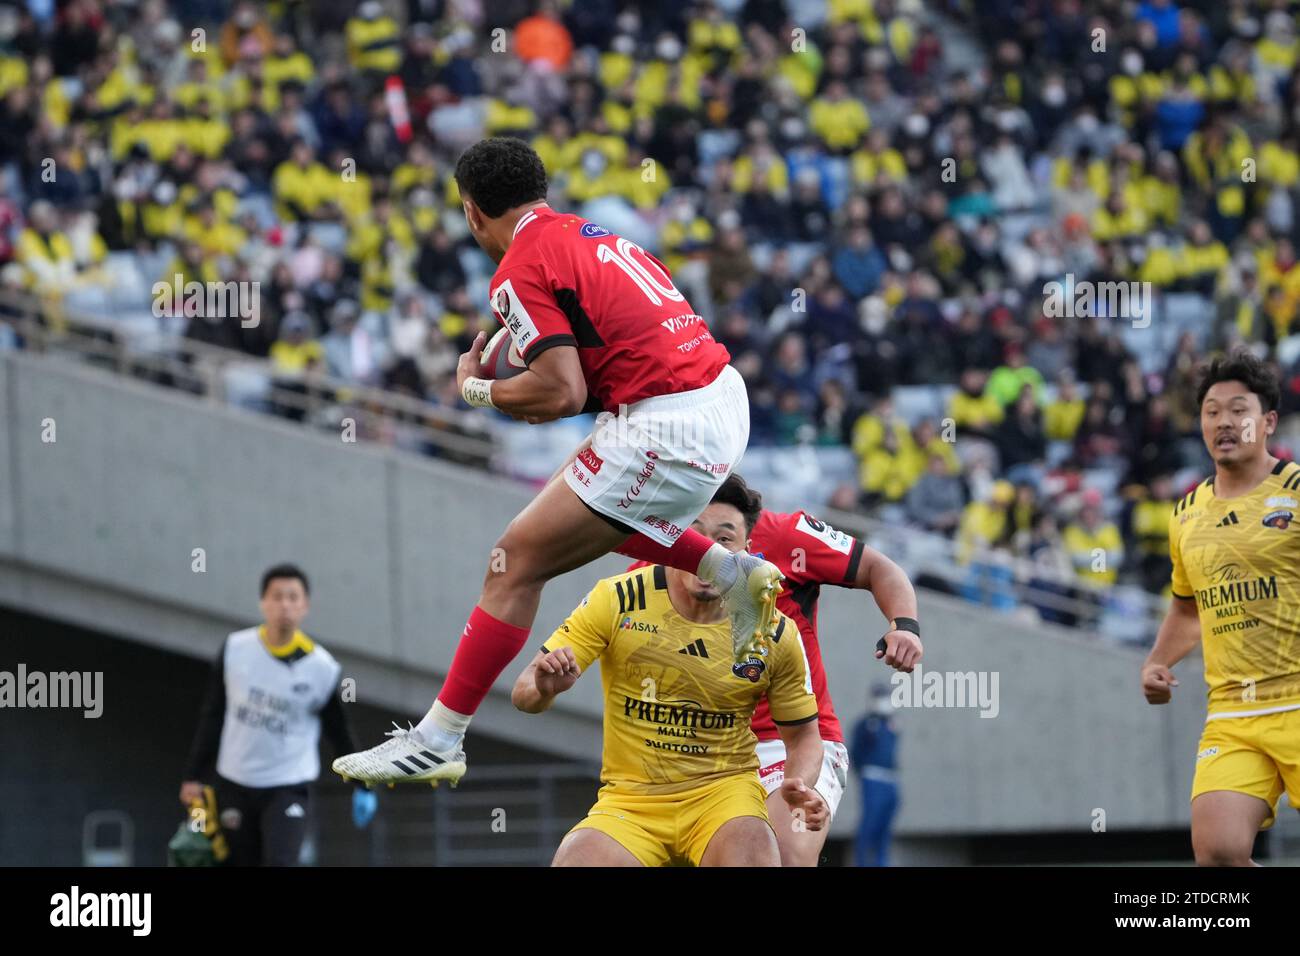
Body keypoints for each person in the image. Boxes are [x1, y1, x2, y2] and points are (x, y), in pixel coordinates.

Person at [334, 137, 784, 786]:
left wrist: (478, 389)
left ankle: (439, 740)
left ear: (471, 213)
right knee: (582, 517)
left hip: (668, 422)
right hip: (719, 398)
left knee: (514, 561)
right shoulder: (593, 233)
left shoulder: (517, 267)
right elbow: (602, 366)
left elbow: (561, 390)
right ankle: (728, 571)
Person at [511, 483, 826, 866]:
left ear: (746, 549)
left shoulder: (773, 631)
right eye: (695, 534)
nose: (710, 552)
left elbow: (805, 736)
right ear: (674, 537)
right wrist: (544, 688)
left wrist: (799, 783)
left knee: (756, 852)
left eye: (725, 539)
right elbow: (523, 693)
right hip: (632, 803)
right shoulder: (617, 598)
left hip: (722, 796)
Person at [626, 473, 922, 866]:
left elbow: (878, 567)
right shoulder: (654, 559)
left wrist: (905, 626)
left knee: (782, 855)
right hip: (699, 748)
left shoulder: (787, 535)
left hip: (795, 742)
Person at [1141, 350, 1300, 865]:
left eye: (1238, 409)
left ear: (1267, 421)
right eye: (1212, 411)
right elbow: (1187, 609)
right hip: (1233, 712)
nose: (1224, 422)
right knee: (1217, 854)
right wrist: (1157, 663)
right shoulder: (1186, 514)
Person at [180, 564, 377, 866]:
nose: (284, 605)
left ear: (305, 606)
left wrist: (362, 784)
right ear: (263, 602)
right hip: (235, 782)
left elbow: (338, 730)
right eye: (277, 596)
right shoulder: (235, 649)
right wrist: (194, 774)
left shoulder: (321, 667)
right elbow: (213, 714)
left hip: (288, 786)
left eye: (293, 597)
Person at [850, 685, 899, 867]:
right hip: (872, 778)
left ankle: (881, 863)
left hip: (890, 779)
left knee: (884, 827)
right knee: (869, 824)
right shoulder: (865, 724)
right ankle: (862, 862)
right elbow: (856, 753)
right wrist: (864, 773)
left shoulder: (891, 723)